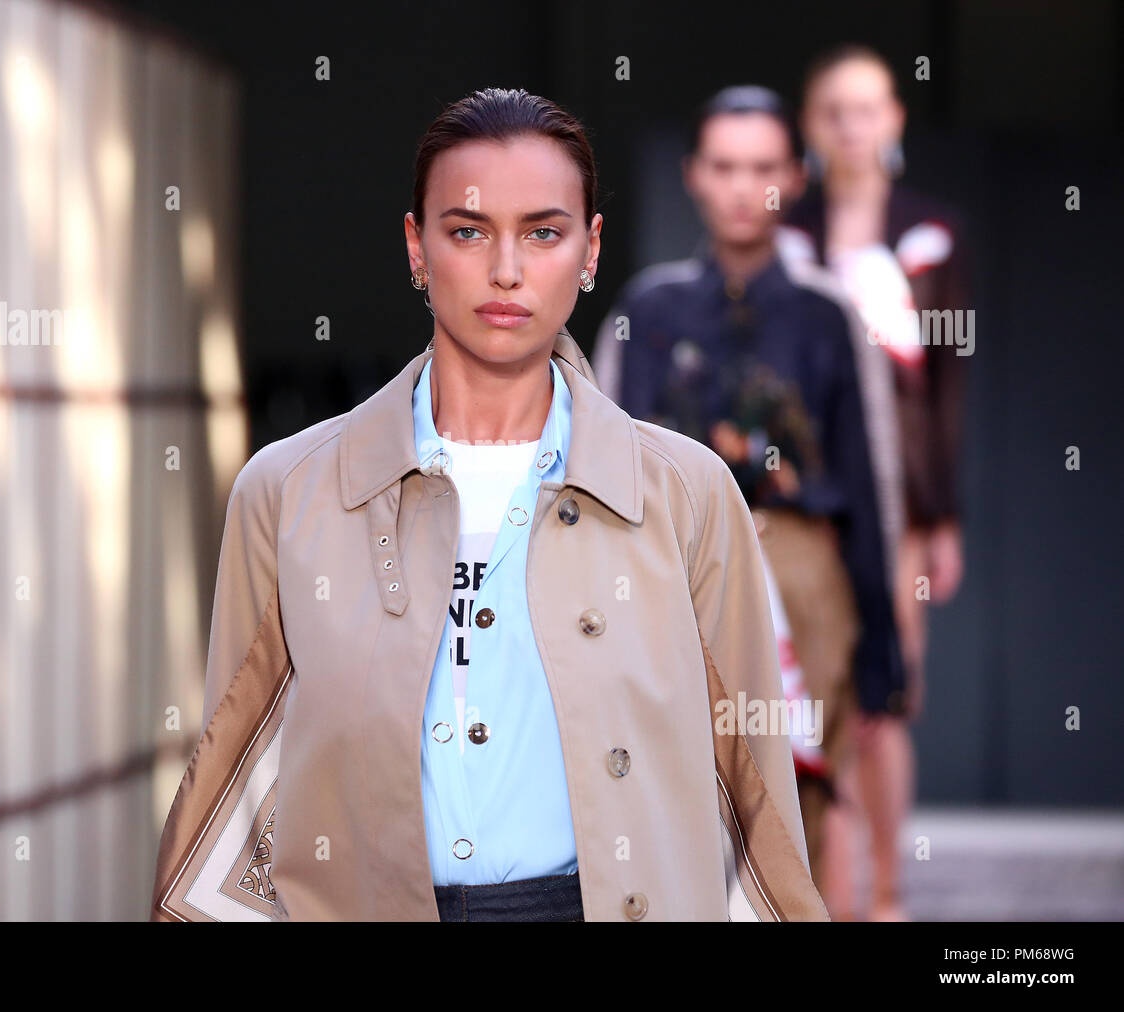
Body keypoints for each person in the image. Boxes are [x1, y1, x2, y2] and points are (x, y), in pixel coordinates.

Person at [151, 87, 827, 922]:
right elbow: (240, 791)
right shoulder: (288, 491)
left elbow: (751, 786)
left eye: (544, 232)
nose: (506, 270)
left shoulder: (683, 494)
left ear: (590, 250)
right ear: (416, 246)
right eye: (468, 231)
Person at [591, 85, 904, 889]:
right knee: (669, 786)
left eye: (764, 167)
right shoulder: (645, 309)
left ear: (796, 177)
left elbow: (868, 481)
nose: (744, 187)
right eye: (725, 166)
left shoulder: (826, 314)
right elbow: (595, 475)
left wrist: (884, 653)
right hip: (671, 569)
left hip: (806, 574)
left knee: (800, 799)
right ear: (694, 174)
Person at [780, 44, 971, 921]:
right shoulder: (785, 231)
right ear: (813, 126)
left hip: (898, 509)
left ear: (895, 118)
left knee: (883, 702)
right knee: (809, 698)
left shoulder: (930, 231)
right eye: (835, 110)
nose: (852, 125)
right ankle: (830, 896)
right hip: (808, 501)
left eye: (870, 107)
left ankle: (888, 896)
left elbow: (946, 385)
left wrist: (942, 519)